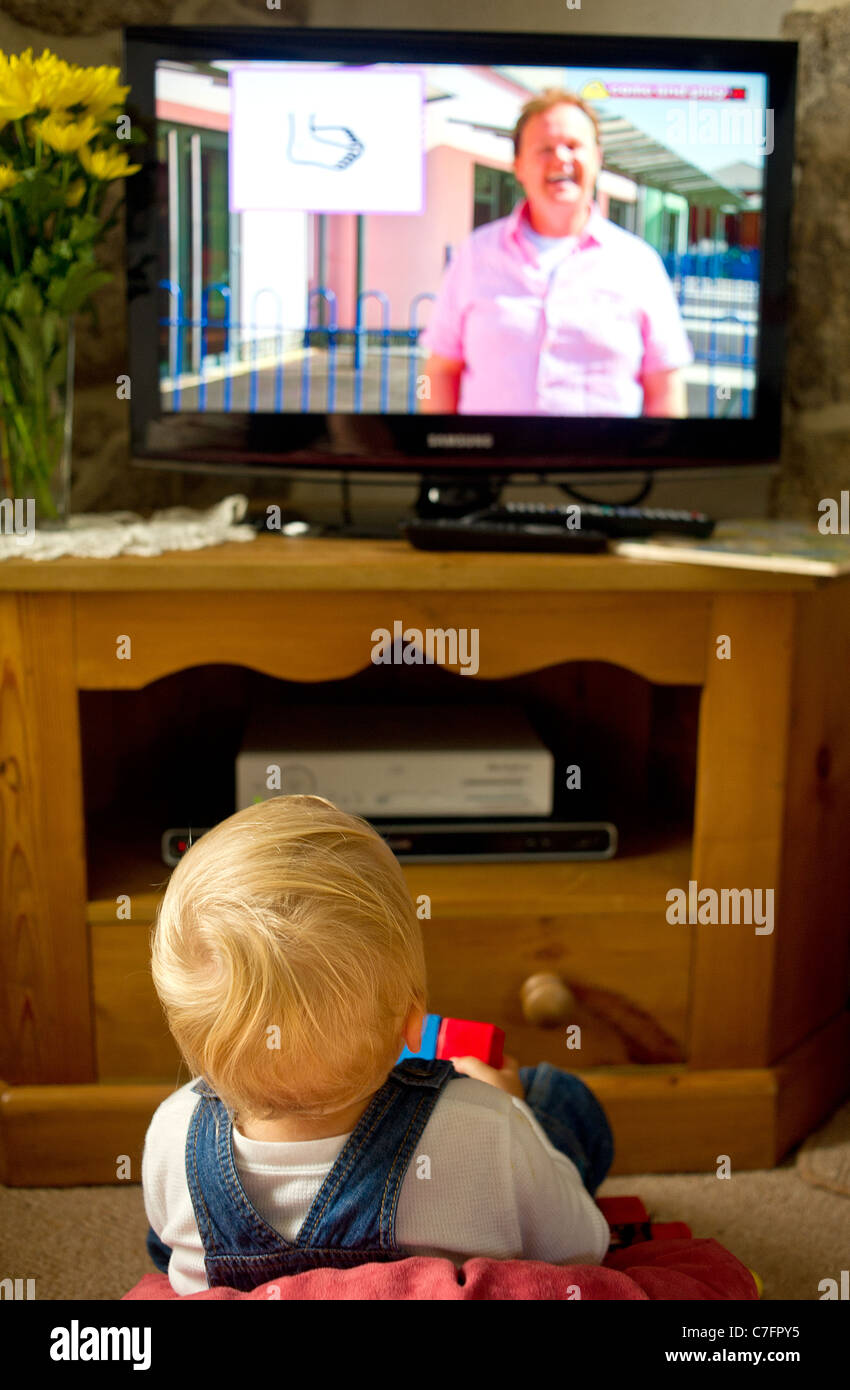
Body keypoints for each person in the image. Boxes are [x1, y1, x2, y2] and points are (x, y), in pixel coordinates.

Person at [142, 795, 613, 1294]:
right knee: (557, 1097)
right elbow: (581, 1249)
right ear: (414, 1022)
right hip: (486, 1152)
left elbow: (170, 1249)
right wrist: (512, 1106)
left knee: (166, 1233)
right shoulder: (487, 1126)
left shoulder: (172, 1131)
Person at [421, 88, 693, 418]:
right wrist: (432, 441)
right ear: (518, 165)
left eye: (574, 146)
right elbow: (435, 372)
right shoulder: (474, 255)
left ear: (598, 159)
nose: (561, 158)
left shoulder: (639, 264)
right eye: (545, 148)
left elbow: (666, 386)